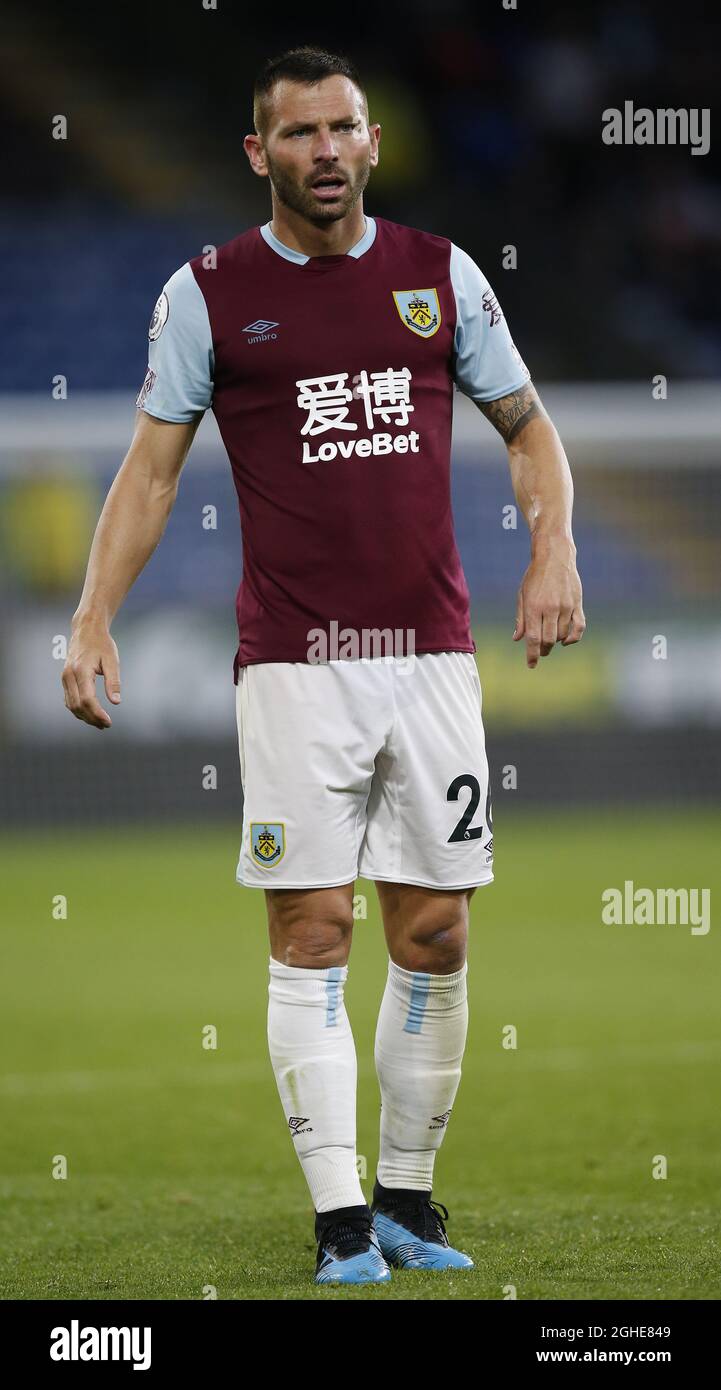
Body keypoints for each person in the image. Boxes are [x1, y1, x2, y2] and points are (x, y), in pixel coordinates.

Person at [62, 45, 585, 1286]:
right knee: (311, 927)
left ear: (373, 140)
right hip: (295, 664)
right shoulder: (207, 292)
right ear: (261, 153)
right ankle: (340, 1220)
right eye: (299, 134)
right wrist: (90, 616)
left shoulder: (439, 277)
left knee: (439, 932)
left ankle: (407, 1197)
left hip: (432, 659)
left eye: (344, 128)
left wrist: (553, 548)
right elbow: (149, 473)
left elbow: (530, 429)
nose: (327, 151)